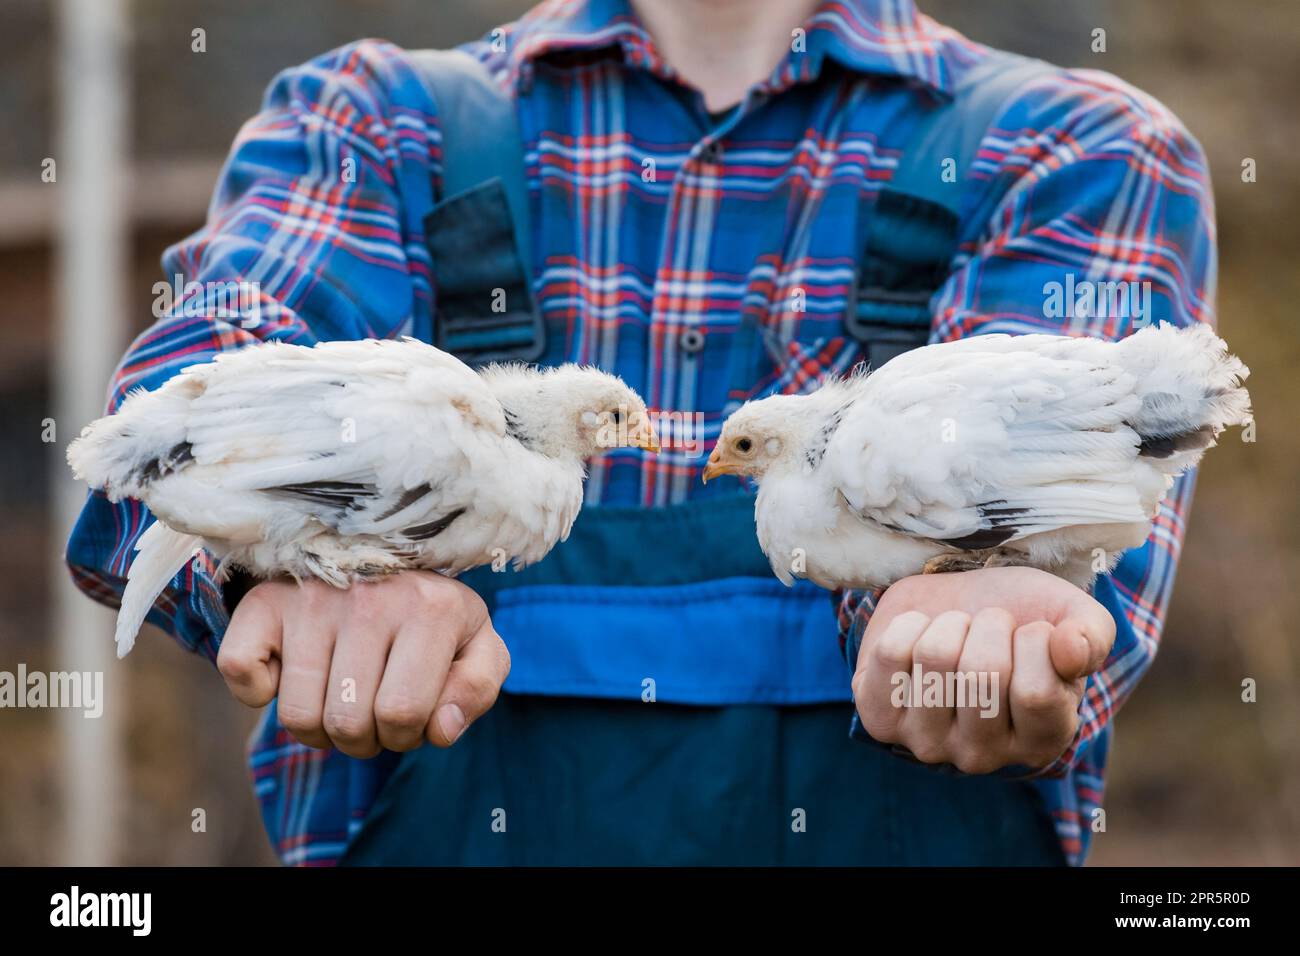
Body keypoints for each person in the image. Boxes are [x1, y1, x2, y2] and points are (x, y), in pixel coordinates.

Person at [67, 0, 1214, 865]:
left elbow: (1054, 486)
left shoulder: (1072, 149)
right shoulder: (371, 126)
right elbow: (180, 406)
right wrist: (298, 565)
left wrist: (979, 596)